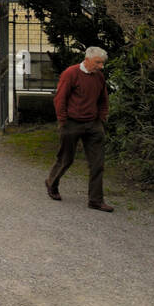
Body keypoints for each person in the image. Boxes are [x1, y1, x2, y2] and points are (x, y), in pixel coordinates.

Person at [47, 46, 113, 211]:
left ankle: (95, 201)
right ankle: (51, 183)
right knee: (66, 159)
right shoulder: (71, 73)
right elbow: (60, 98)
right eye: (98, 62)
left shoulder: (99, 76)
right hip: (71, 123)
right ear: (87, 59)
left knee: (97, 164)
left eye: (102, 63)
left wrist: (102, 117)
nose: (101, 66)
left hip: (93, 124)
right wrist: (63, 120)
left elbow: (103, 98)